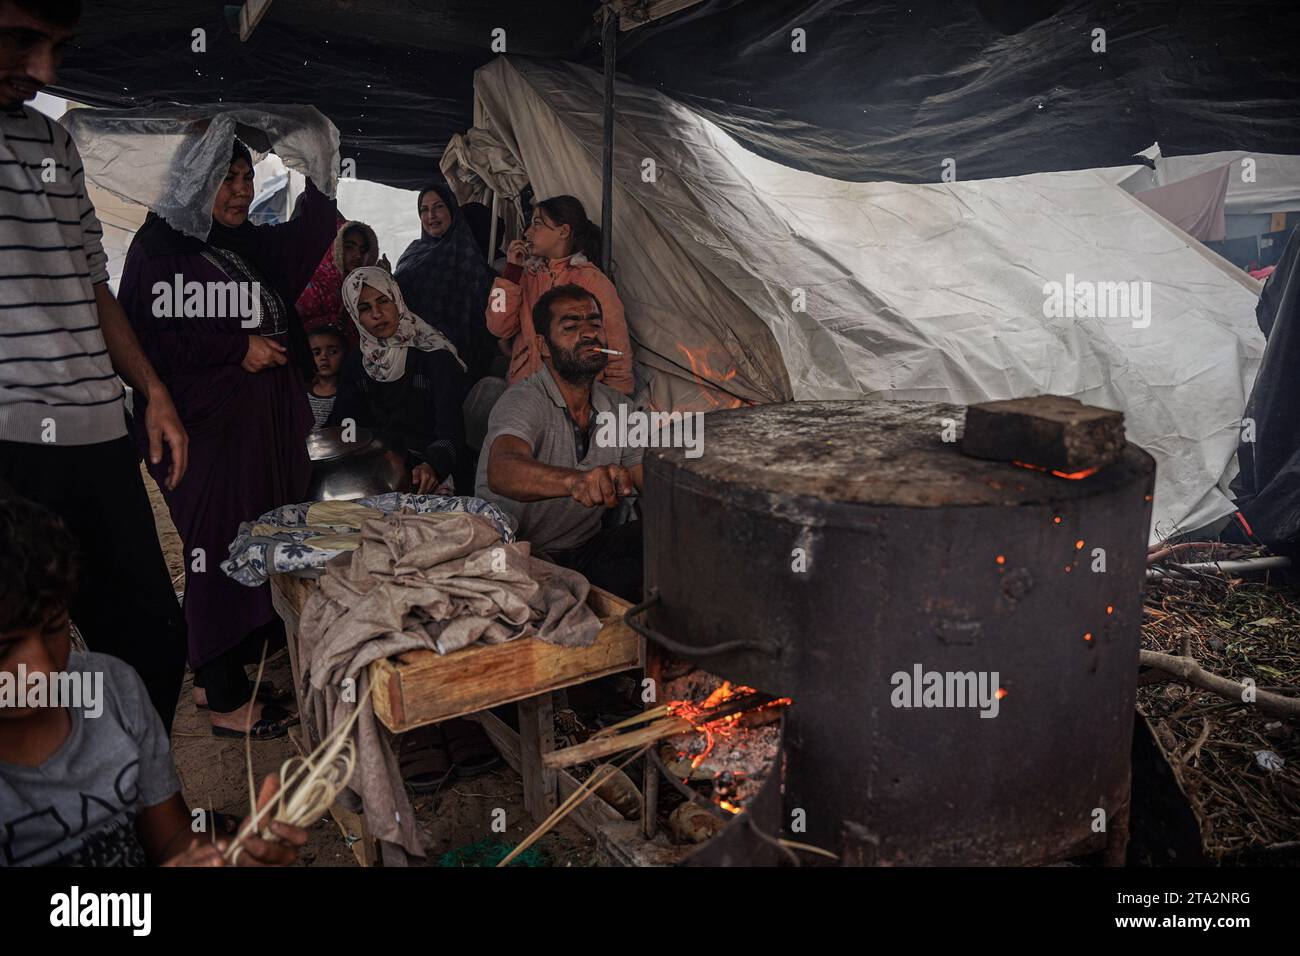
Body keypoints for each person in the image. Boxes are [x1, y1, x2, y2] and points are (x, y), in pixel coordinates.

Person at [0, 0, 189, 732]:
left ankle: (130, 810)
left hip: (96, 433)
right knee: (19, 659)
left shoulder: (54, 142)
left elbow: (91, 283)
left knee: (152, 641)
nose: (44, 72)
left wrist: (153, 391)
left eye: (58, 49)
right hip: (10, 438)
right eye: (21, 41)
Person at [117, 138, 337, 740]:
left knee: (244, 538)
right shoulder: (160, 246)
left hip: (247, 431)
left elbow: (302, 243)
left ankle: (212, 671)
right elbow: (145, 337)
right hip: (199, 430)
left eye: (245, 176)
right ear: (193, 181)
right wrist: (236, 347)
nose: (241, 190)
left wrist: (312, 163)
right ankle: (225, 703)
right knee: (213, 547)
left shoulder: (231, 242)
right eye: (226, 178)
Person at [0, 494, 307, 867]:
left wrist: (227, 856)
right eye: (6, 649)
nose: (43, 669)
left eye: (53, 629)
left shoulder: (110, 688)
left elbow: (171, 839)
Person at [478, 285, 644, 600]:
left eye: (595, 325)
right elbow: (501, 470)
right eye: (571, 327)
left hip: (583, 553)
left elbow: (646, 479)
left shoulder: (622, 407)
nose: (588, 335)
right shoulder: (524, 399)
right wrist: (576, 482)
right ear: (543, 346)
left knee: (667, 542)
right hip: (518, 555)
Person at [336, 266, 472, 494]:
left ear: (397, 299)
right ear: (354, 316)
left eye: (383, 301)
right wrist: (364, 454)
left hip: (433, 471)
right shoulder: (355, 366)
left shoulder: (433, 356)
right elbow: (347, 425)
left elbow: (451, 432)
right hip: (379, 471)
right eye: (364, 308)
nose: (377, 314)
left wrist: (433, 466)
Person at [486, 195, 634, 395]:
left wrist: (617, 396)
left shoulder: (592, 281)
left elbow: (617, 347)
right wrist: (511, 273)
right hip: (526, 387)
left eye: (537, 224)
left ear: (564, 231)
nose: (528, 232)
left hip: (576, 395)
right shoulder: (525, 276)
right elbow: (497, 326)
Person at [394, 183, 498, 382]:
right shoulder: (413, 251)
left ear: (452, 209)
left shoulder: (468, 258)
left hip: (448, 362)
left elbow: (479, 313)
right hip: (405, 353)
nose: (431, 215)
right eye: (424, 210)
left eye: (438, 207)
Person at [296, 218, 386, 348]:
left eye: (363, 249)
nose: (357, 255)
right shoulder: (314, 285)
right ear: (334, 246)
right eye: (349, 247)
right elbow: (300, 331)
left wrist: (384, 283)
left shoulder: (364, 284)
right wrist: (340, 318)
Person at [307, 324, 347, 430]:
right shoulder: (300, 394)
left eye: (332, 352)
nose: (324, 357)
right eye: (316, 353)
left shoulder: (351, 395)